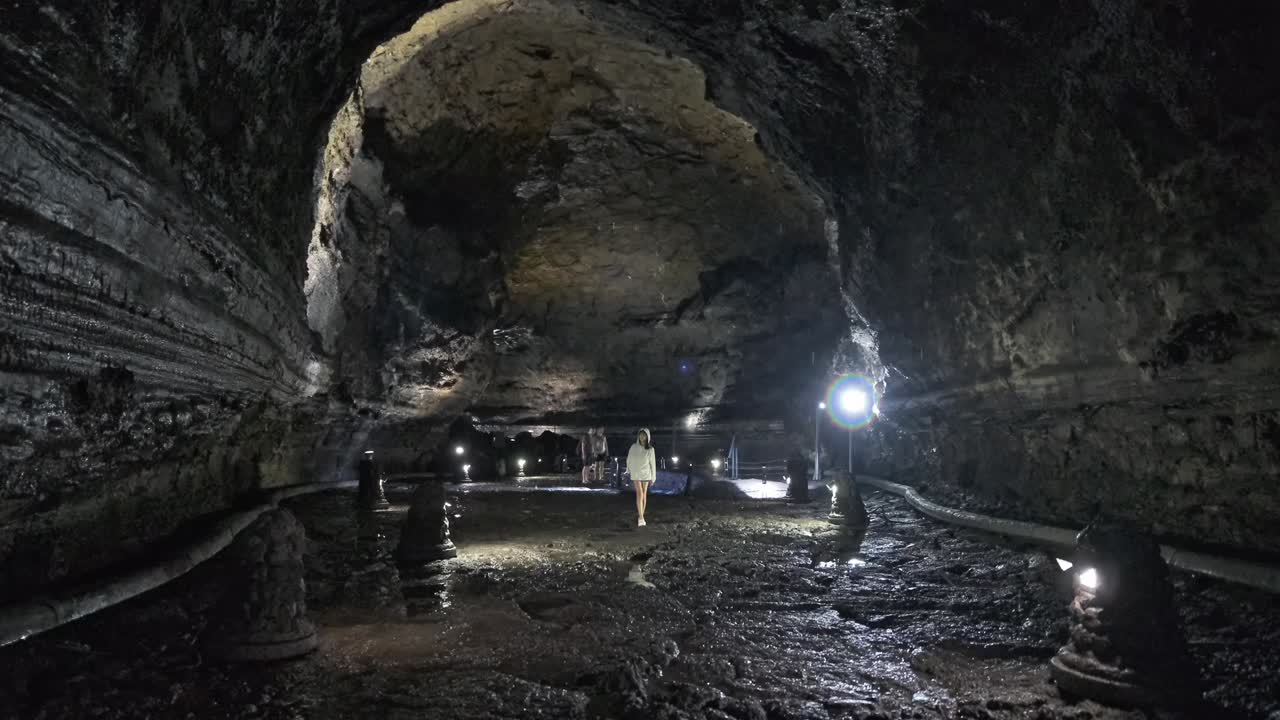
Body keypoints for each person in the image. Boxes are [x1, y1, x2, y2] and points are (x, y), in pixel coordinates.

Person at [626, 428, 657, 526]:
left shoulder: (651, 449)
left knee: (644, 494)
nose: (642, 437)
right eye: (640, 434)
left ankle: (641, 515)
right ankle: (641, 517)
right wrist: (628, 469)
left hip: (646, 473)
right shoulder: (633, 447)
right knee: (639, 493)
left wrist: (653, 477)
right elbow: (629, 459)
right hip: (636, 472)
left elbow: (653, 464)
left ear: (648, 436)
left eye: (644, 435)